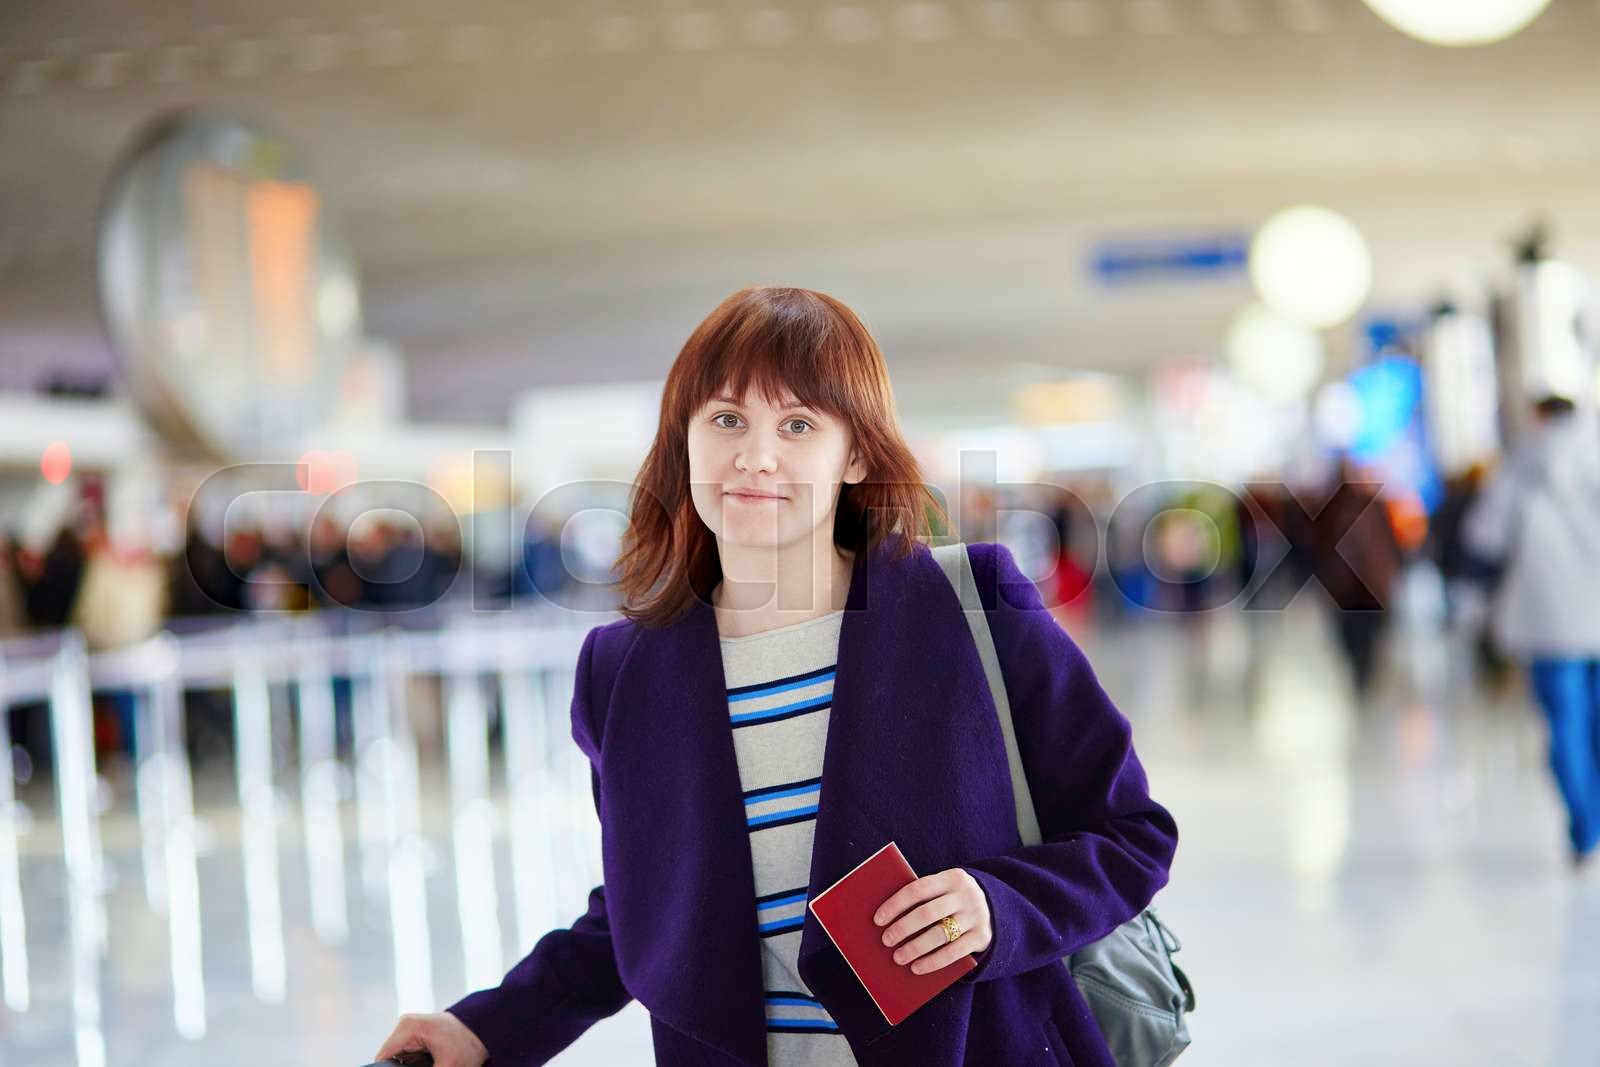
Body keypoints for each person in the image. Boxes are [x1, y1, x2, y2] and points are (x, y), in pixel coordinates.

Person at [374, 286, 1179, 1067]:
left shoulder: (973, 608)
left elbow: (1130, 833)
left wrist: (997, 907)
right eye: (726, 418)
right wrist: (489, 1028)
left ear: (856, 454)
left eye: (797, 424)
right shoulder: (623, 671)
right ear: (682, 439)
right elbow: (647, 907)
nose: (755, 455)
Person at [1462, 394, 1600, 875]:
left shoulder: (1517, 468)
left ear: (1537, 417)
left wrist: (1473, 607)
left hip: (1548, 620)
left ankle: (1586, 827)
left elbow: (1485, 542)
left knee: (1565, 722)